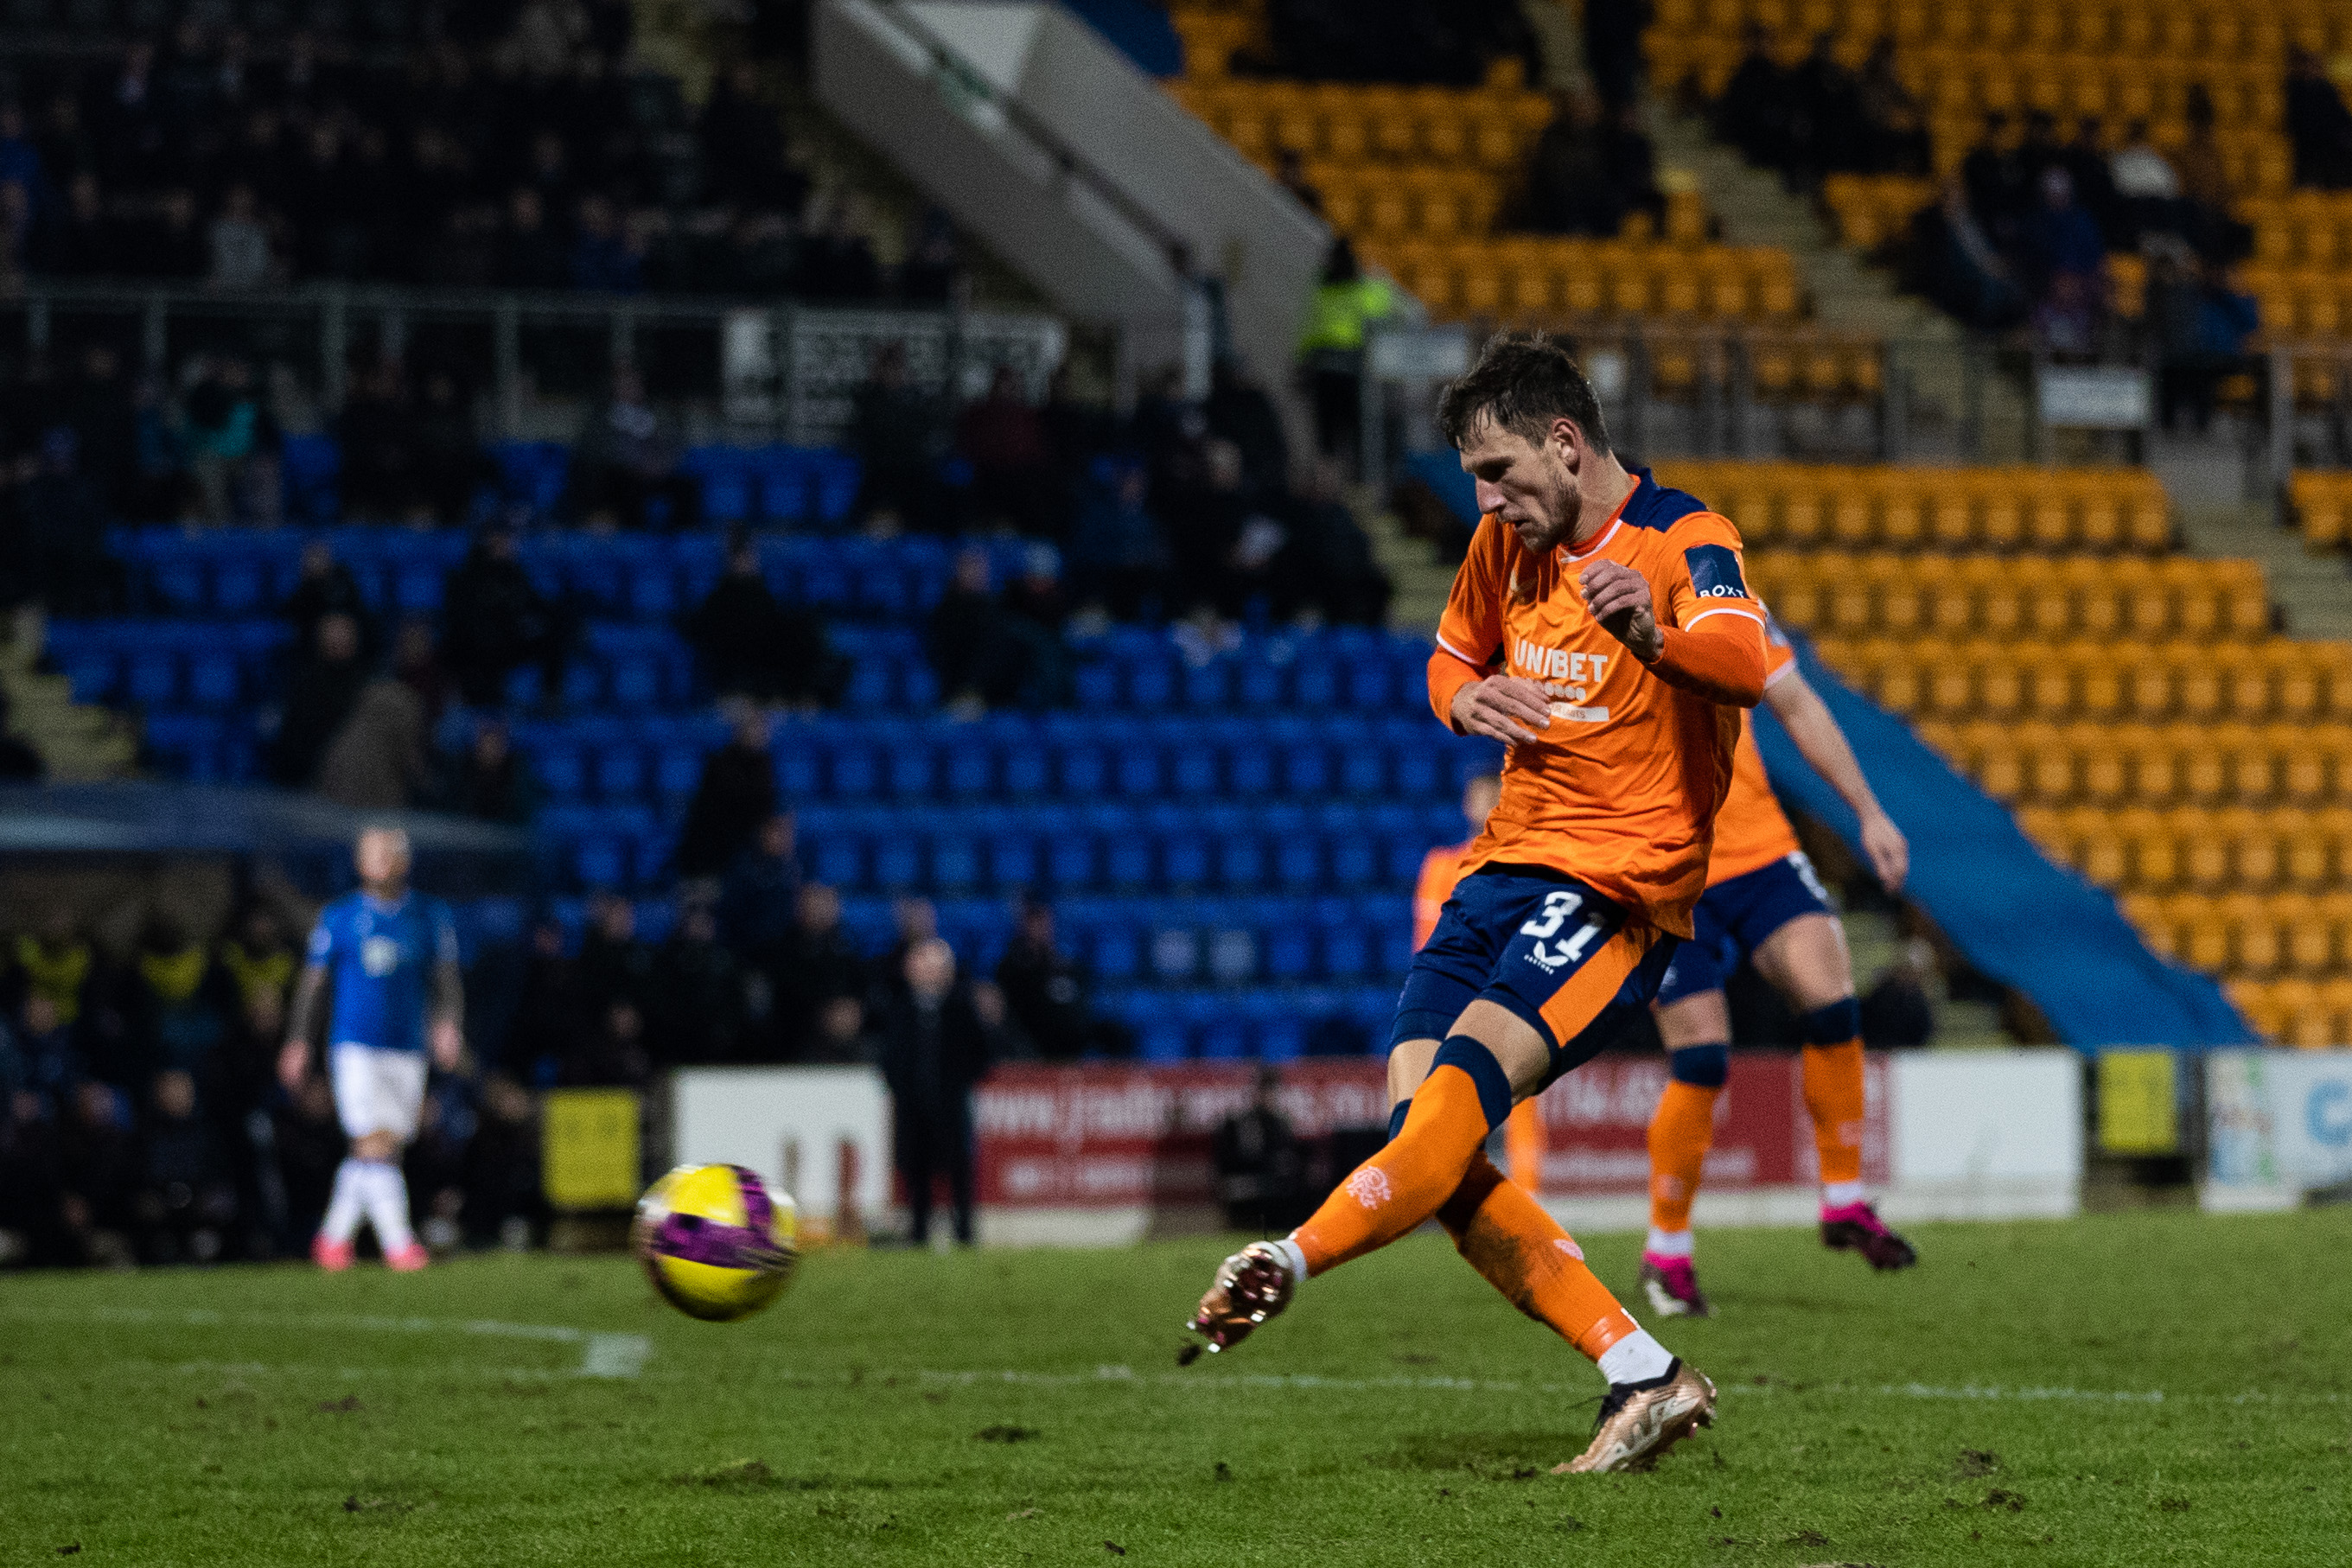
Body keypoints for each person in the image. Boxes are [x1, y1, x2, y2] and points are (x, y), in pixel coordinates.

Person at [1186, 330, 1766, 1474]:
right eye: (1474, 483)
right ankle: (1640, 1369)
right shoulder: (1501, 547)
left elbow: (1744, 658)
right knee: (1428, 1144)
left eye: (1499, 473)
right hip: (1494, 874)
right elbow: (1446, 661)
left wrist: (1652, 639)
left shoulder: (1683, 536)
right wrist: (1469, 701)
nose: (1489, 499)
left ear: (1564, 441)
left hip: (1615, 886)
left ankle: (1289, 1259)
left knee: (1454, 1100)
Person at [1636, 611, 1918, 1321]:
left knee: (1830, 997)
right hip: (1658, 869)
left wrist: (1868, 812)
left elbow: (1795, 702)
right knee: (1700, 1058)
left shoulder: (1722, 595)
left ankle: (1843, 1201)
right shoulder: (1595, 598)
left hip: (1757, 849)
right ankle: (1666, 1253)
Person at [277, 825, 463, 1272]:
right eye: (369, 853)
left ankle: (332, 1239)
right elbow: (313, 985)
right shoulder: (338, 917)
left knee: (384, 1146)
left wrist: (448, 1024)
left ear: (403, 861)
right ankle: (399, 1243)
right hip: (353, 1044)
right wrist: (298, 1040)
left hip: (407, 1046)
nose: (377, 861)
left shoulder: (430, 915)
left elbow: (445, 978)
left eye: (386, 853)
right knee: (371, 1139)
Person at [875, 937, 993, 1247]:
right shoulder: (899, 1010)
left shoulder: (961, 1009)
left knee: (959, 1168)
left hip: (951, 1103)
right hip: (913, 1104)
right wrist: (901, 1087)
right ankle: (919, 1232)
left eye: (937, 968)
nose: (930, 974)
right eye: (923, 967)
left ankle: (965, 1232)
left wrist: (959, 1082)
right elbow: (889, 1057)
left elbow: (982, 1054)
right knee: (917, 1168)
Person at [677, 707, 778, 879]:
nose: (759, 733)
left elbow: (765, 810)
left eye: (763, 728)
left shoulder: (765, 766)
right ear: (739, 730)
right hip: (712, 851)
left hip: (746, 855)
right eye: (753, 727)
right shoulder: (719, 763)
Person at [1211, 1068, 1304, 1232]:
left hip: (1275, 1183)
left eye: (1272, 1091)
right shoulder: (1240, 1123)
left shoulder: (1279, 1123)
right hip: (1248, 1181)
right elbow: (1229, 1161)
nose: (1269, 1096)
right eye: (1264, 1091)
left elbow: (1289, 1155)